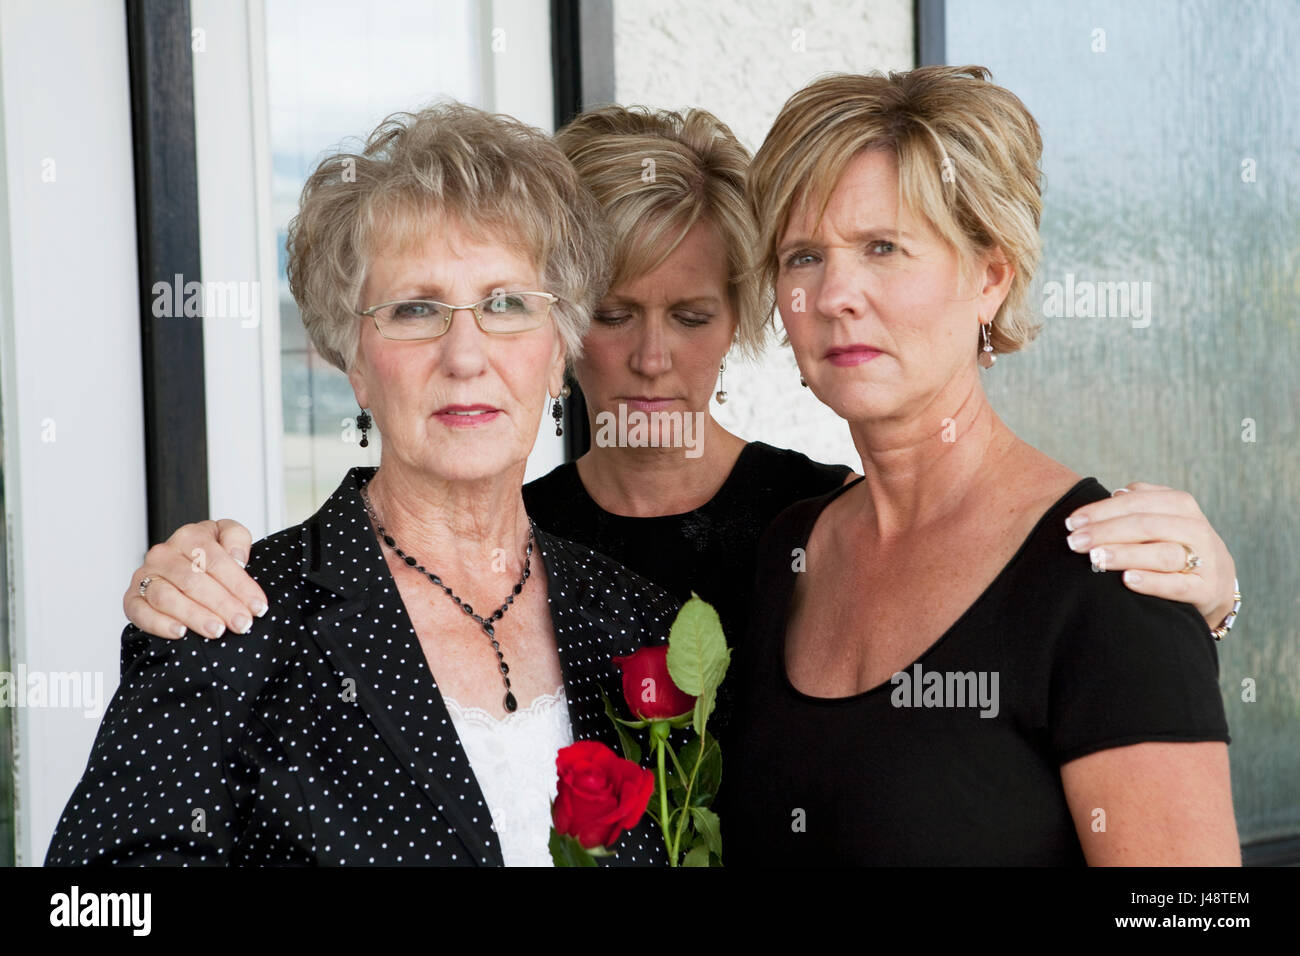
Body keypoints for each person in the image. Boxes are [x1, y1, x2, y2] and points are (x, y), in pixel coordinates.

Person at [117, 105, 1242, 750]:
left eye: (690, 314)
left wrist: (1198, 602)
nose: (651, 356)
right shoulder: (516, 538)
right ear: (562, 326)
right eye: (613, 313)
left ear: (741, 318)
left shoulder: (821, 532)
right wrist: (193, 573)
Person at [46, 104, 678, 867]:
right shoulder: (228, 623)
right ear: (352, 363)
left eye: (506, 304)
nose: (466, 355)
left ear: (558, 354)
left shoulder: (643, 629)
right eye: (415, 310)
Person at [725, 66, 1240, 864]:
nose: (834, 295)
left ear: (991, 277)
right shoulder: (787, 548)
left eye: (883, 247)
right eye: (803, 258)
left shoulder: (1111, 576)